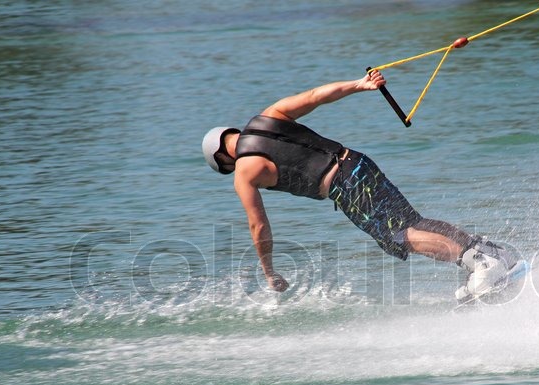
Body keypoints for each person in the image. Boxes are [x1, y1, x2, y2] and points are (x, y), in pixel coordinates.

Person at [202, 69, 518, 303]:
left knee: (401, 235)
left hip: (344, 186)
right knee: (413, 223)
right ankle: (489, 253)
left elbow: (258, 226)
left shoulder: (244, 171)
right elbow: (314, 96)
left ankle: (480, 263)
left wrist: (268, 270)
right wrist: (359, 84)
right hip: (356, 161)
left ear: (221, 156)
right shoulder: (269, 116)